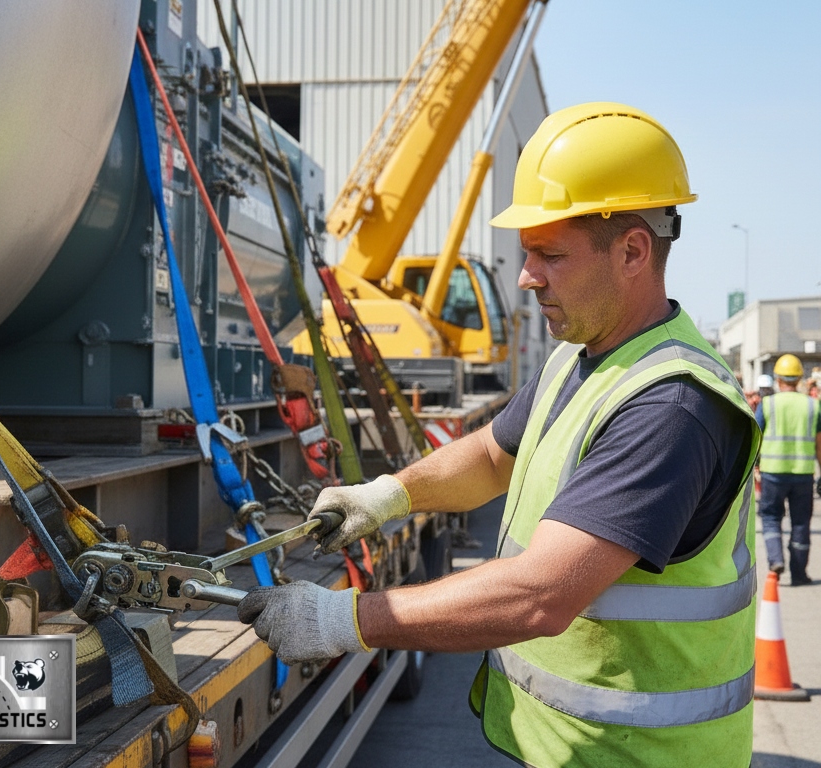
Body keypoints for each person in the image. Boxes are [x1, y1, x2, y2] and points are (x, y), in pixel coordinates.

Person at [238, 103, 761, 767]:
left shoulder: (672, 407)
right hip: (571, 748)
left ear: (632, 251)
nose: (526, 276)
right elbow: (491, 456)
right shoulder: (580, 356)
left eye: (551, 255)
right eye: (526, 254)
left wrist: (342, 621)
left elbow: (541, 595)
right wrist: (389, 494)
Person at [755, 353, 821, 585]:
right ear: (800, 379)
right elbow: (819, 444)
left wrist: (754, 465)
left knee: (771, 517)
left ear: (778, 378)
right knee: (801, 523)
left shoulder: (768, 403)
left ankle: (775, 561)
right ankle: (799, 574)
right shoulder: (813, 406)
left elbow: (756, 437)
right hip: (803, 473)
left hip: (773, 472)